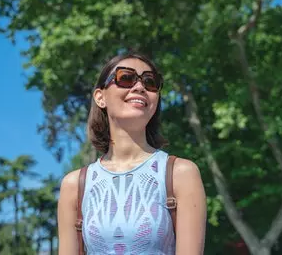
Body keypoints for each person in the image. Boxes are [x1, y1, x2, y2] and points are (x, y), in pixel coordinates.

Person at [57, 52, 207, 254]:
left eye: (150, 82)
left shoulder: (180, 174)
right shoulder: (74, 186)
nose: (139, 87)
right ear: (100, 97)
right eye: (125, 78)